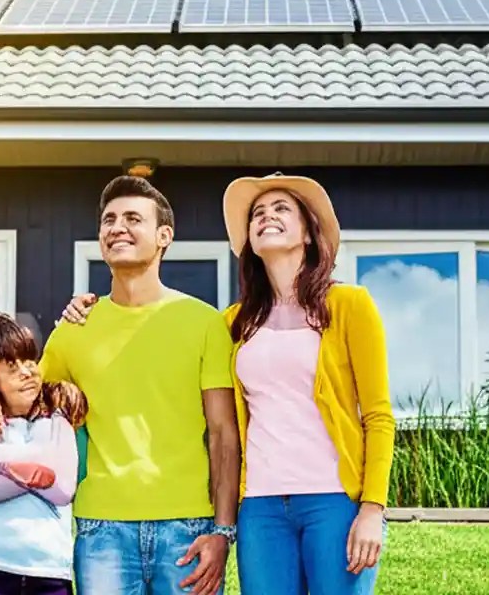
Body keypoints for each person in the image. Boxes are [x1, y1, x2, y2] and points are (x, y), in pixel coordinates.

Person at [62, 172, 395, 595]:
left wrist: (372, 509)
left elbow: (379, 416)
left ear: (308, 233)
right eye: (258, 213)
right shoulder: (233, 322)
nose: (266, 217)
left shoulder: (349, 305)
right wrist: (88, 306)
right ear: (248, 240)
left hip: (334, 500)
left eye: (280, 210)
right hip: (260, 506)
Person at [0, 175, 240, 595]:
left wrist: (223, 531)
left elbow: (223, 435)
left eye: (132, 218)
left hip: (188, 526)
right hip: (100, 529)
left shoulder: (205, 322)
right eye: (109, 219)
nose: (117, 227)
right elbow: (22, 395)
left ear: (164, 236)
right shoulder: (73, 330)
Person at [0, 312, 87, 595]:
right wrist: (38, 468)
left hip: (50, 572)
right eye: (10, 366)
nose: (26, 371)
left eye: (28, 360)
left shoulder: (58, 415)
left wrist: (0, 462)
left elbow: (62, 489)